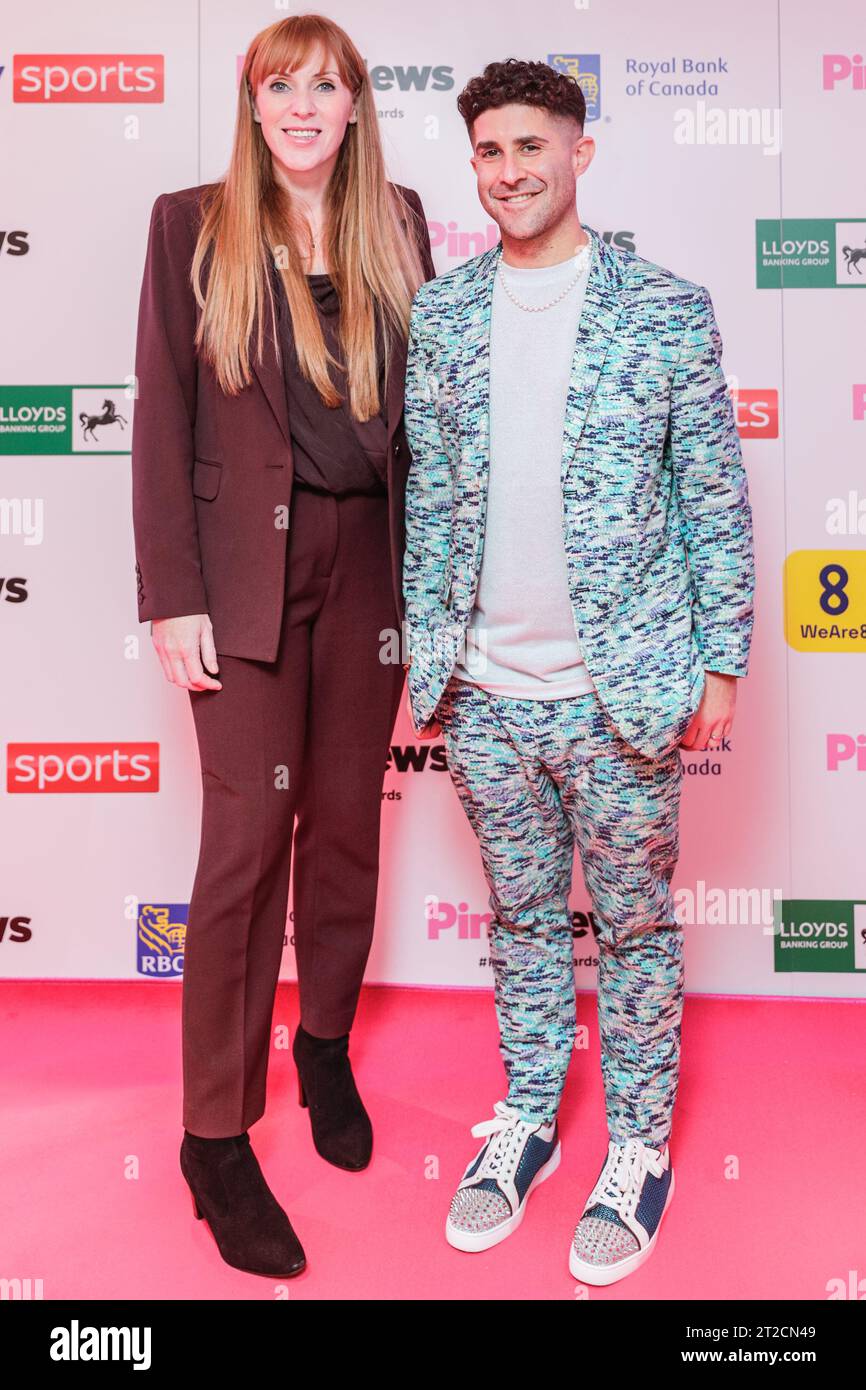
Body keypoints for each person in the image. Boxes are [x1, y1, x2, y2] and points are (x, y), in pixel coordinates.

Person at [402, 58, 755, 1285]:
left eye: (531, 148)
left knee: (638, 927)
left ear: (579, 151)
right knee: (521, 923)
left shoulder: (665, 305)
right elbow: (429, 502)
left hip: (622, 694)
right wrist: (429, 647)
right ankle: (529, 1122)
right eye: (490, 152)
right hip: (487, 695)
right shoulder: (441, 315)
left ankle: (641, 1145)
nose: (510, 172)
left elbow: (711, 492)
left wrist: (719, 655)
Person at [131, 13, 435, 1280]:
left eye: (326, 86)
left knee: (347, 826)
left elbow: (427, 418)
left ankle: (321, 1046)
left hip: (369, 562)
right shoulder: (187, 221)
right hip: (245, 574)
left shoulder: (400, 220)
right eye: (280, 86)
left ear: (356, 106)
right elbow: (160, 404)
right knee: (247, 840)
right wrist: (170, 592)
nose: (303, 106)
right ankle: (215, 1135)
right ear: (252, 105)